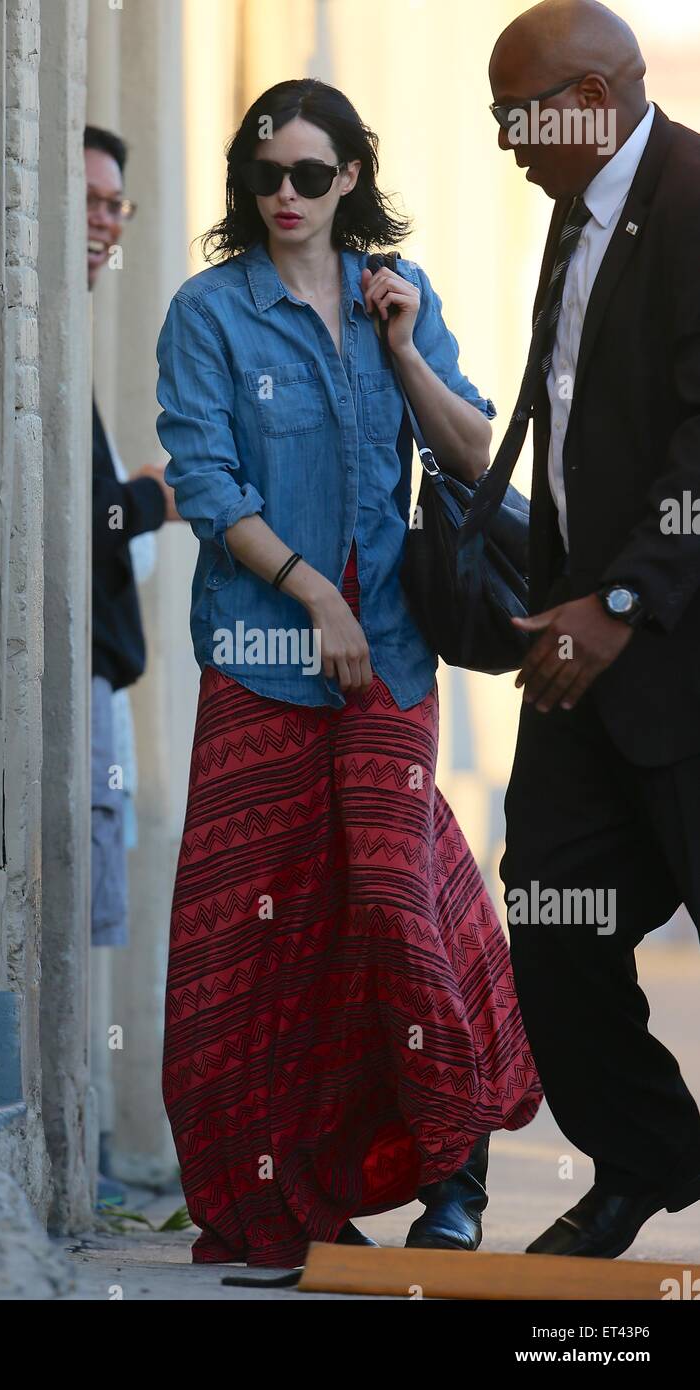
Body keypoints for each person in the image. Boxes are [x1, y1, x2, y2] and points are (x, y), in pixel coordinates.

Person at [155, 78, 542, 1268]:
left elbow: (478, 452)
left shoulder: (398, 302)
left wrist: (400, 344)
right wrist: (312, 594)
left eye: (309, 176)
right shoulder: (208, 312)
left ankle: (450, 1168)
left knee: (389, 893)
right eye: (264, 175)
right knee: (244, 929)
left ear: (349, 180)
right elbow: (206, 482)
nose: (284, 195)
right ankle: (269, 1194)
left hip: (390, 665)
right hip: (260, 658)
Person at [486, 0, 700, 1258]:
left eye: (514, 115)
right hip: (572, 661)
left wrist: (622, 600)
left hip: (670, 644)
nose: (504, 142)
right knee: (554, 917)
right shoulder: (570, 212)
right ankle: (645, 1160)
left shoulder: (691, 198)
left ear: (587, 96)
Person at [85, 124, 180, 1199]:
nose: (107, 221)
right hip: (69, 693)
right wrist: (153, 496)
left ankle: (103, 1152)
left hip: (103, 683)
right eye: (92, 199)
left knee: (95, 910)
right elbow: (77, 521)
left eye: (118, 204)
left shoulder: (76, 351)